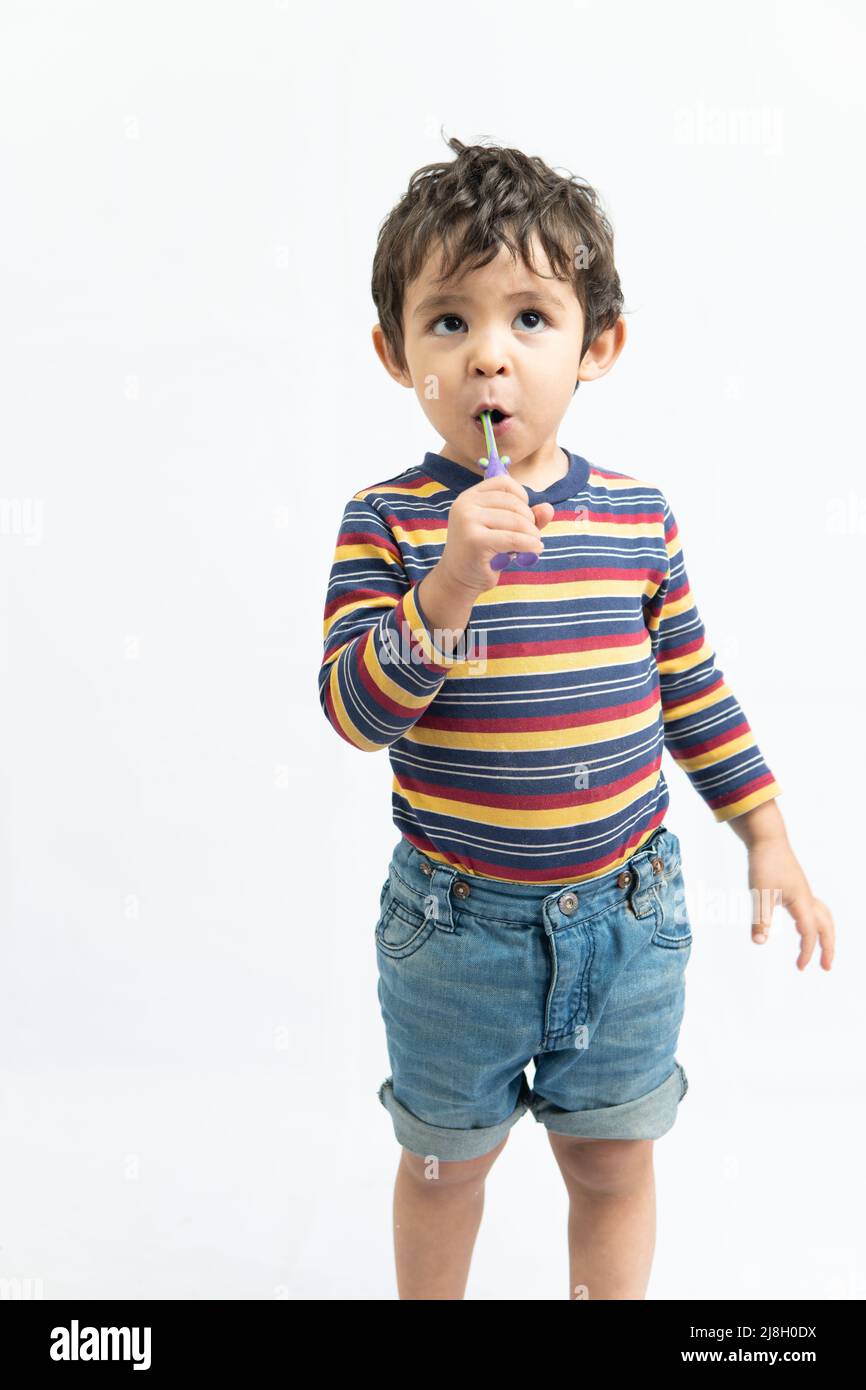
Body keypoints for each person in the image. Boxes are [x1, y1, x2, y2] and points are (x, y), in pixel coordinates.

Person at [317, 135, 835, 1300]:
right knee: (444, 1168)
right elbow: (353, 710)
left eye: (529, 320)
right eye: (446, 322)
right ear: (396, 354)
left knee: (609, 1162)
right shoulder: (388, 524)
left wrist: (763, 832)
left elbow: (693, 692)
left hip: (626, 919)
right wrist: (445, 585)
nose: (488, 356)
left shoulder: (635, 521)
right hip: (453, 931)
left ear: (595, 345)